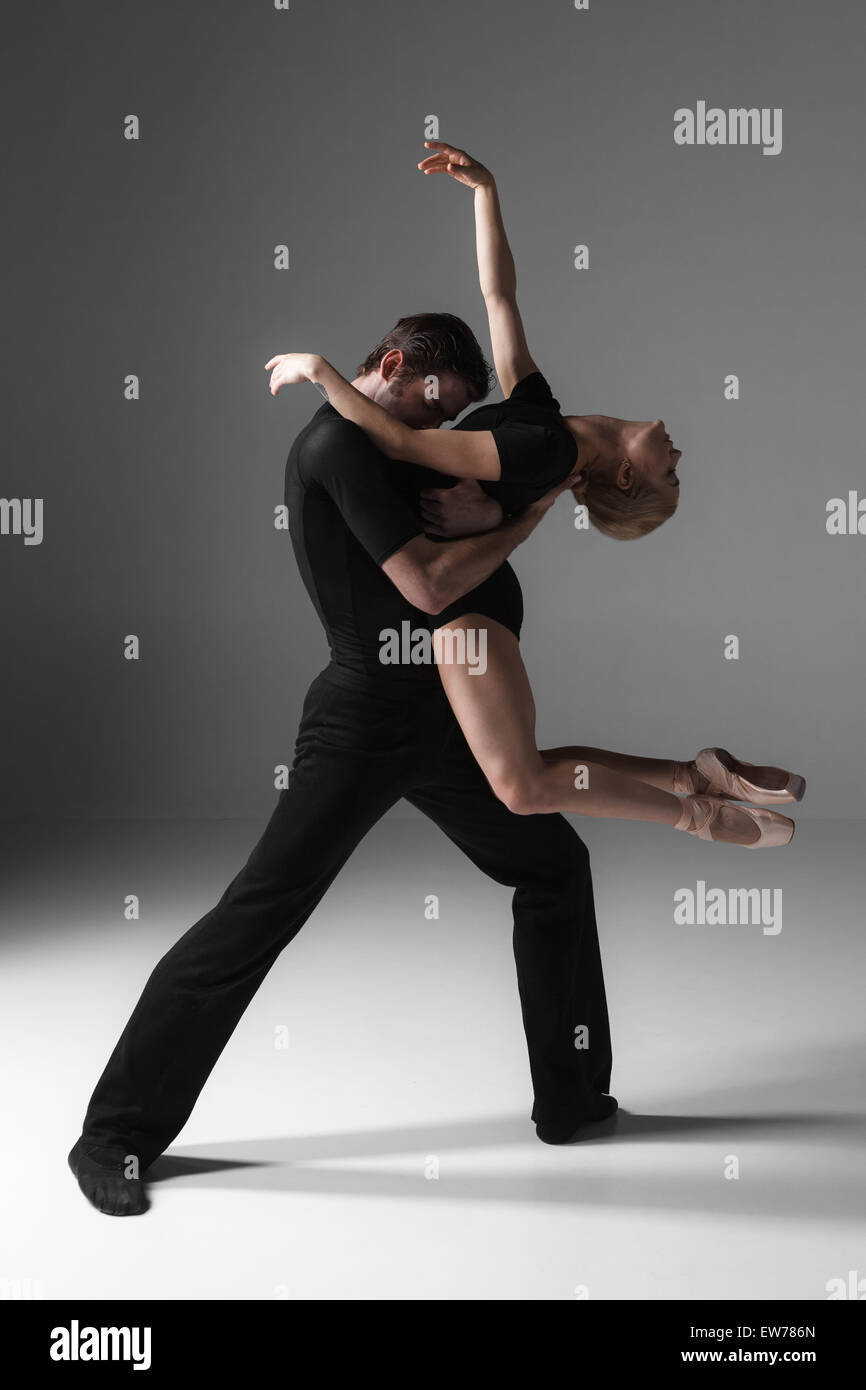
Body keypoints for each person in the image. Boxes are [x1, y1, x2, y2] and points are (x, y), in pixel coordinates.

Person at [68, 311, 615, 1219]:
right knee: (257, 916)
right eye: (434, 406)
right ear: (395, 366)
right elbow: (432, 585)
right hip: (363, 722)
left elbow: (507, 427)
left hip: (443, 715)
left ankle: (572, 1095)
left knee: (554, 866)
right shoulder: (334, 448)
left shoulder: (398, 440)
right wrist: (538, 510)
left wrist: (507, 494)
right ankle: (112, 1135)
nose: (439, 433)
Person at [266, 141, 805, 850]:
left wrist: (321, 371)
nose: (680, 455)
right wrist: (485, 191)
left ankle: (701, 816)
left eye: (669, 473)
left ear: (623, 478)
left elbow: (403, 445)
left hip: (465, 607)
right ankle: (694, 775)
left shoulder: (544, 448)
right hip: (474, 598)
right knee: (524, 775)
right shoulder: (544, 416)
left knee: (522, 787)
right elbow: (500, 296)